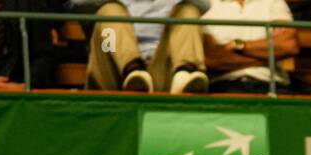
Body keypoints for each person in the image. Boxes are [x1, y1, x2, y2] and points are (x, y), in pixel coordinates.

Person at [74, 0, 210, 92]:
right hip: (111, 59)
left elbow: (205, 4)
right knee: (109, 11)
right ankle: (132, 69)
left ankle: (184, 73)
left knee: (188, 11)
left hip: (162, 68)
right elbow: (76, 3)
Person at [201, 0, 300, 94]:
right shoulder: (204, 3)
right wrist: (270, 56)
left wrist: (238, 45)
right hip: (223, 86)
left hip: (273, 85)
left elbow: (289, 45)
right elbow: (211, 59)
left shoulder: (273, 1)